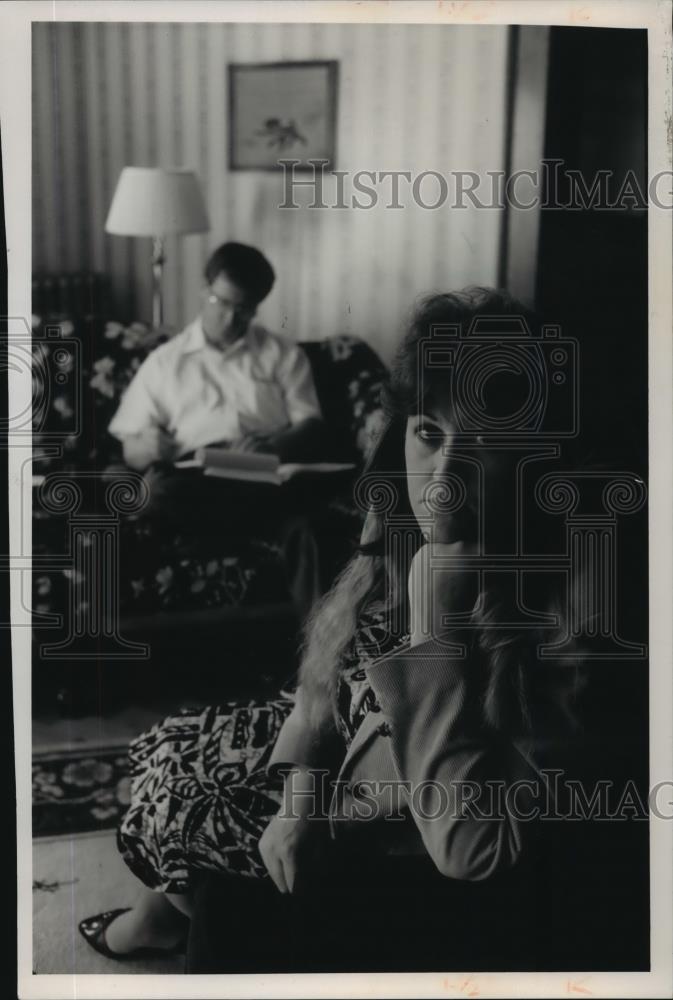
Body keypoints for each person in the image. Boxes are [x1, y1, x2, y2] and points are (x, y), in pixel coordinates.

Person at [78, 288, 637, 966]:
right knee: (171, 748)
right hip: (351, 734)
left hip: (398, 798)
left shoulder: (576, 601)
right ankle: (162, 917)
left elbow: (472, 847)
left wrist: (436, 624)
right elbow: (327, 678)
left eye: (486, 443)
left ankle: (158, 919)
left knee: (185, 806)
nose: (445, 477)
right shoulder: (396, 507)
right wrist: (299, 799)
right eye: (429, 433)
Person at [109, 241, 324, 469]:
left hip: (263, 464)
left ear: (255, 308)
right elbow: (131, 447)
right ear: (205, 290)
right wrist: (147, 449)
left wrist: (273, 448)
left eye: (242, 309)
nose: (230, 319)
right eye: (222, 303)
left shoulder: (284, 354)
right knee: (163, 487)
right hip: (195, 469)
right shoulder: (164, 361)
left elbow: (310, 424)